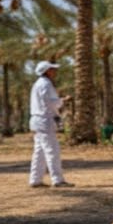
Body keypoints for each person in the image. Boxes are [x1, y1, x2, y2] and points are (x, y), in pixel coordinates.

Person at [28, 60, 73, 188]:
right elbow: (50, 103)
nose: (55, 71)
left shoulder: (38, 84)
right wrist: (63, 100)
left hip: (38, 120)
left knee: (39, 152)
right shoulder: (46, 84)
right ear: (47, 71)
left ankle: (35, 179)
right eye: (52, 69)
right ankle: (57, 180)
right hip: (44, 120)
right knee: (52, 151)